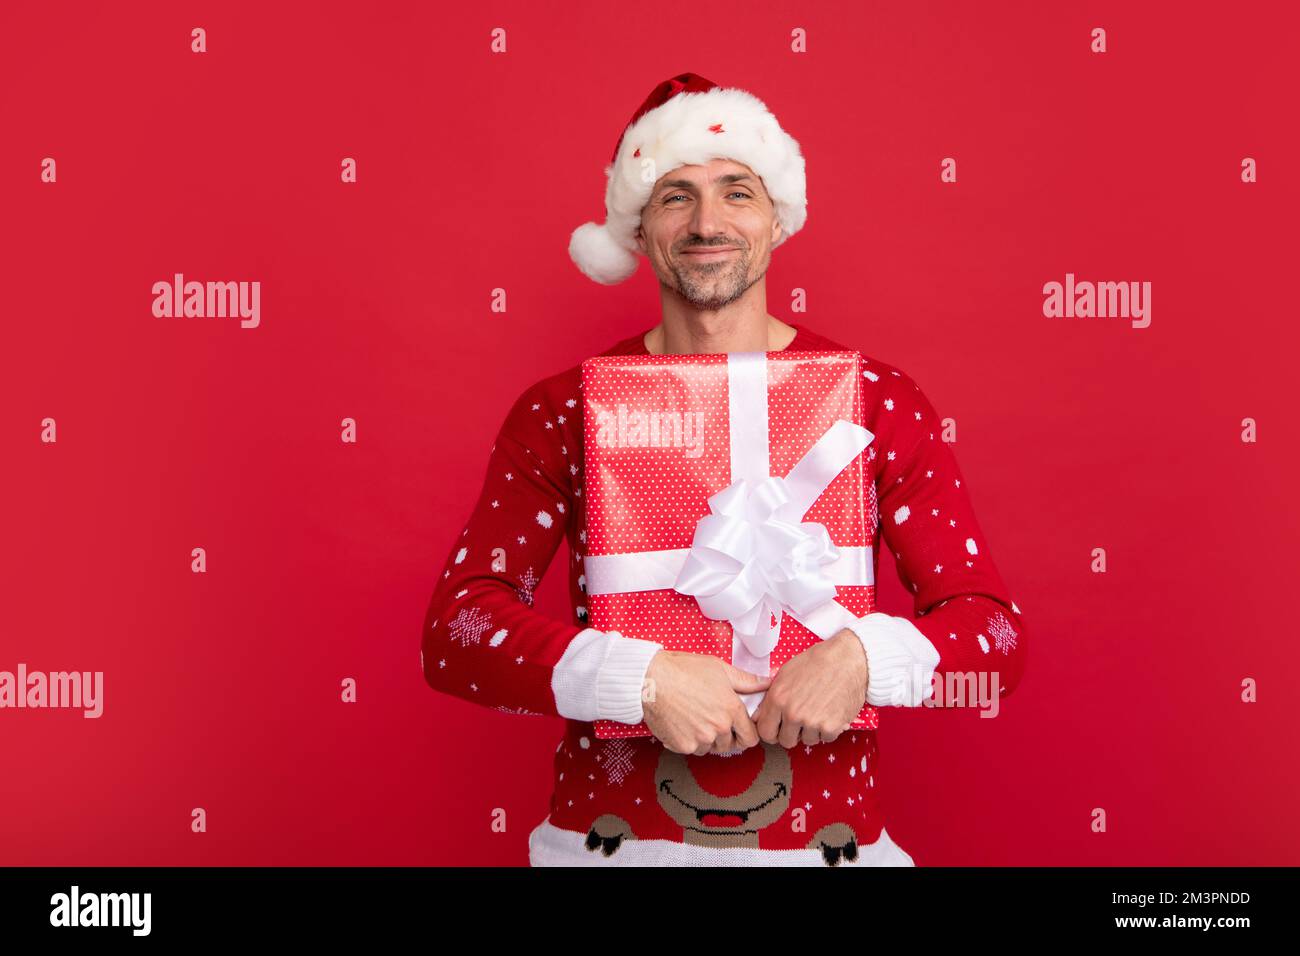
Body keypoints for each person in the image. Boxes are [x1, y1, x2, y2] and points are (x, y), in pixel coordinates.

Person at [421, 72, 1027, 866]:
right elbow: (457, 633)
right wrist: (636, 678)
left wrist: (863, 658)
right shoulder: (561, 409)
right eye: (675, 196)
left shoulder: (878, 402)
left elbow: (995, 634)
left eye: (737, 192)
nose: (708, 222)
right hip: (609, 848)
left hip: (827, 850)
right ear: (638, 229)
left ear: (779, 219)